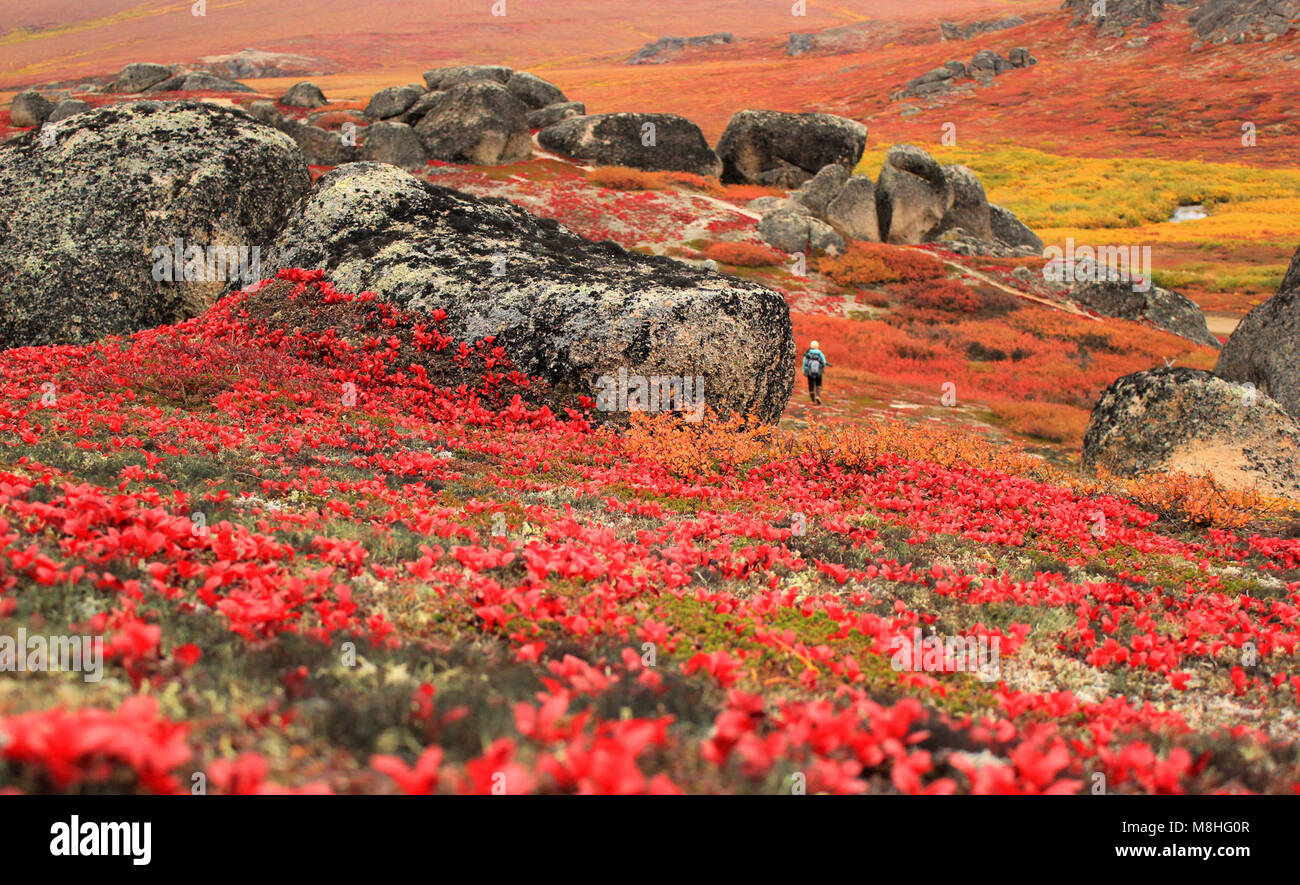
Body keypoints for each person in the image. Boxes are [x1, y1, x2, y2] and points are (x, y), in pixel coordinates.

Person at [801, 340, 830, 405]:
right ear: (818, 346)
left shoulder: (808, 353)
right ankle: (818, 396)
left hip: (810, 372)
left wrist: (804, 370)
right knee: (818, 383)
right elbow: (824, 363)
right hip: (819, 372)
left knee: (811, 385)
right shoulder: (820, 354)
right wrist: (821, 368)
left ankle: (813, 399)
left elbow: (804, 363)